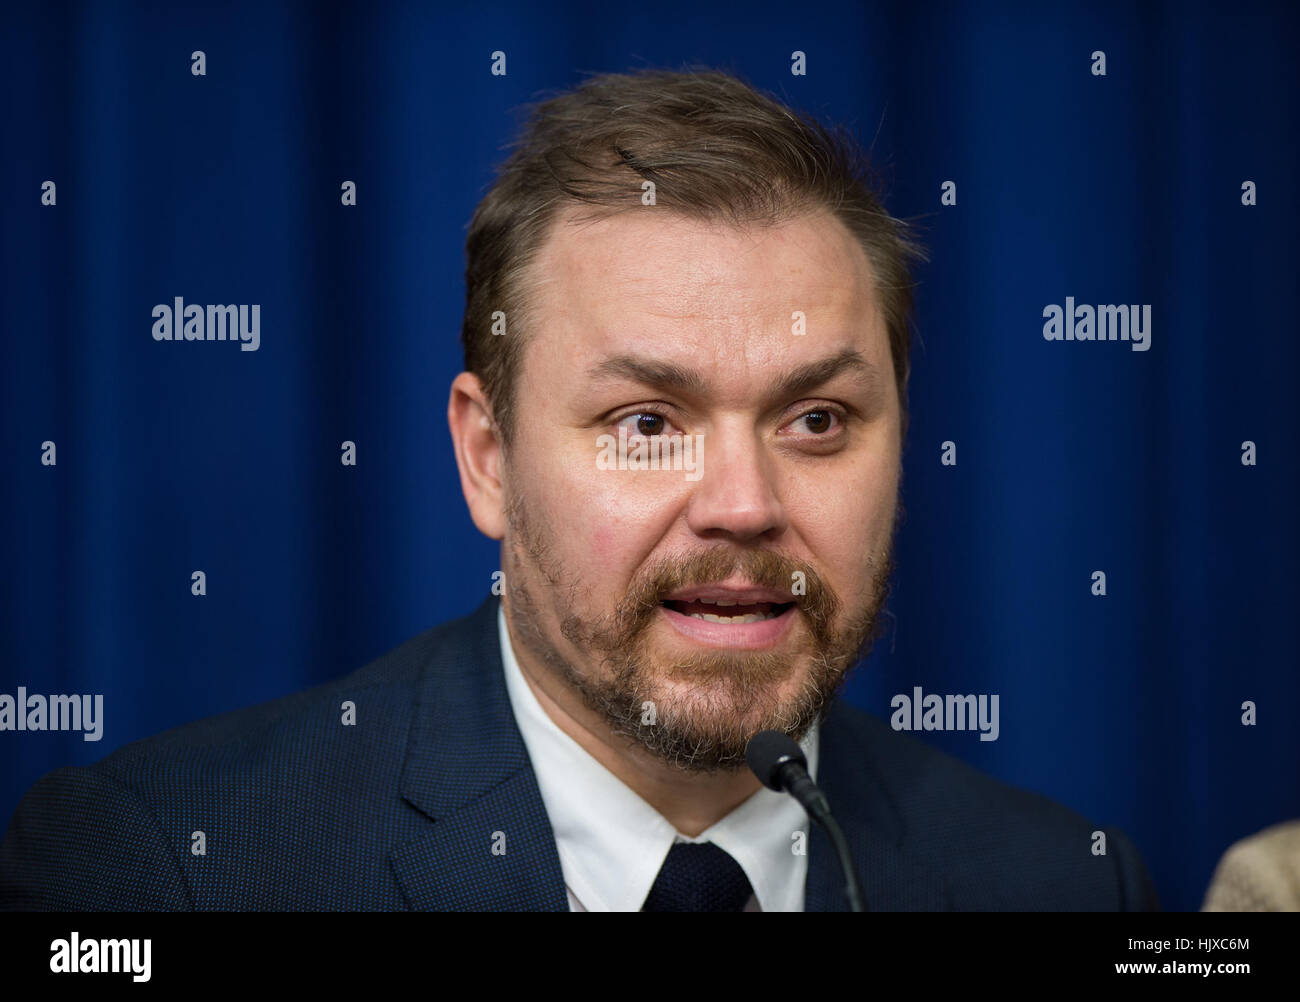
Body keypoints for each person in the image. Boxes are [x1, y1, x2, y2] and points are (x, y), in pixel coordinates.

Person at [0, 68, 1157, 911]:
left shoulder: (1063, 883)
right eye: (646, 422)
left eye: (816, 420)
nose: (743, 504)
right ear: (487, 459)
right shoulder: (168, 869)